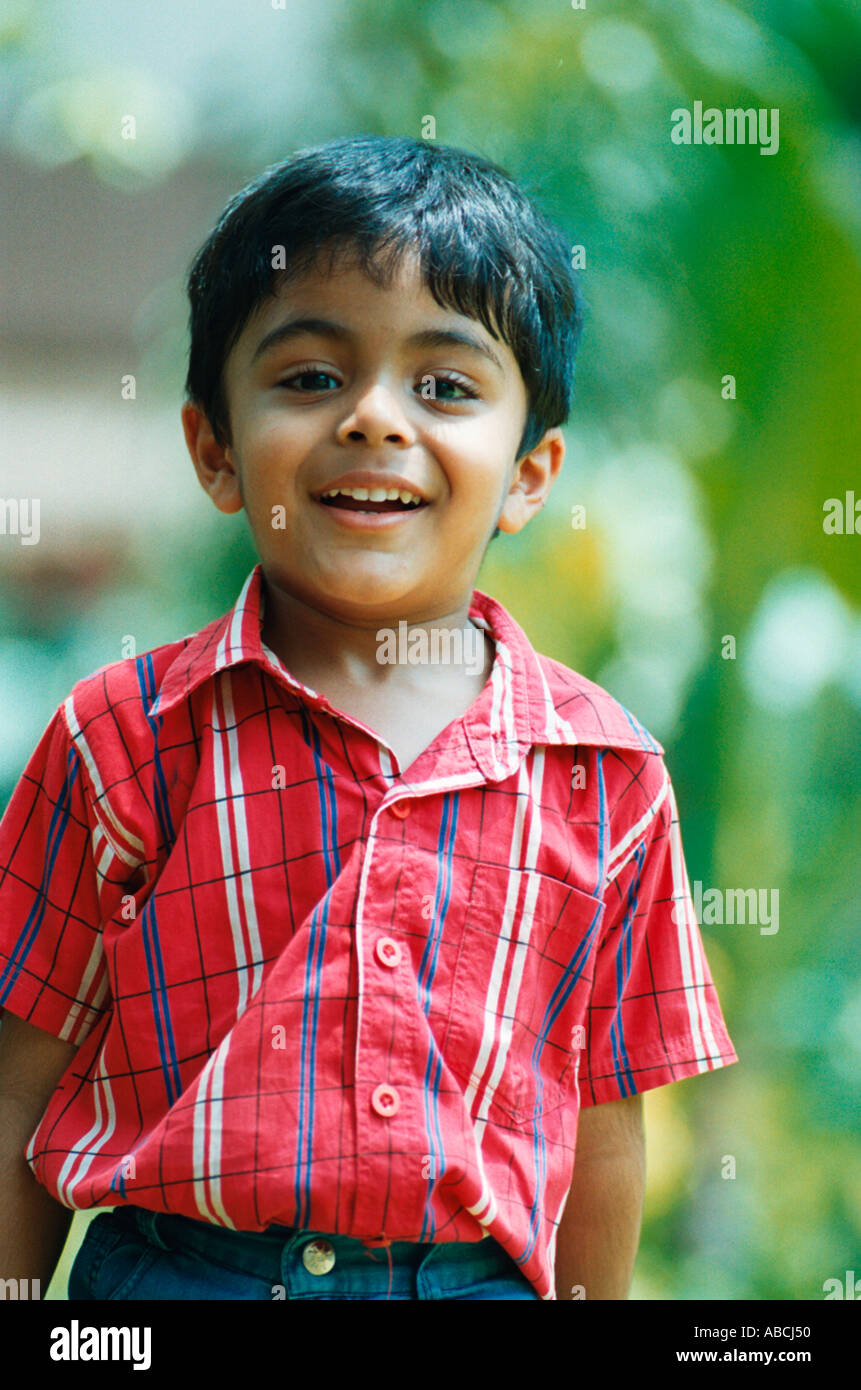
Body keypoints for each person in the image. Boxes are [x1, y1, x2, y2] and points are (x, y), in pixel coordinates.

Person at [0, 134, 738, 1301]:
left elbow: (600, 1133)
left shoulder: (606, 775)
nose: (375, 419)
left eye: (445, 385)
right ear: (214, 447)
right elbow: (18, 1093)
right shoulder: (122, 739)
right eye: (309, 378)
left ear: (532, 472)